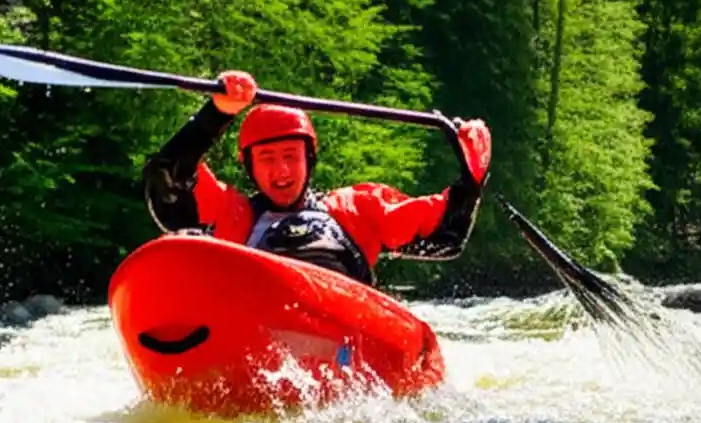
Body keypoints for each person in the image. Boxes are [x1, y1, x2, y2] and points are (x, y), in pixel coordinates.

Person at [143, 71, 492, 285]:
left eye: (290, 156)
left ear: (309, 159)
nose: (281, 171)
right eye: (267, 158)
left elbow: (444, 237)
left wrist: (472, 178)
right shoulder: (230, 215)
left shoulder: (356, 211)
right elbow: (168, 183)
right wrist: (217, 113)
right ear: (247, 165)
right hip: (255, 323)